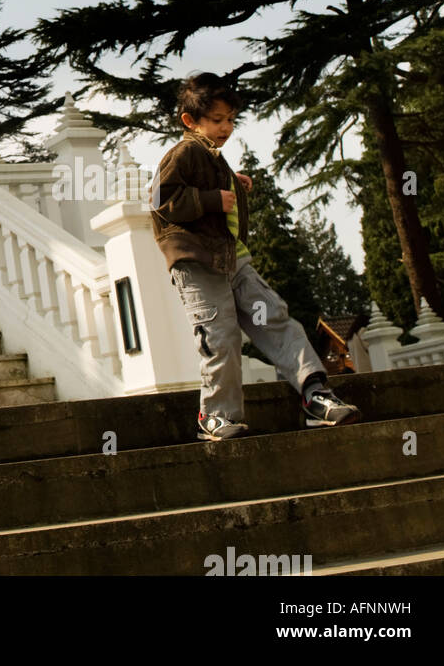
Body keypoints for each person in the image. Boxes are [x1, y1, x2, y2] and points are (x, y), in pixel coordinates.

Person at [151, 72, 361, 441]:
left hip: (234, 260)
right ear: (190, 120)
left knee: (276, 319)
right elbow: (161, 201)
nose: (226, 127)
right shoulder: (184, 153)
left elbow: (213, 189)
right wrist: (213, 199)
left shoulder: (214, 156)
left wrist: (235, 183)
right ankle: (215, 416)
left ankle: (315, 395)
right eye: (217, 120)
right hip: (198, 264)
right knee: (221, 336)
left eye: (231, 120)